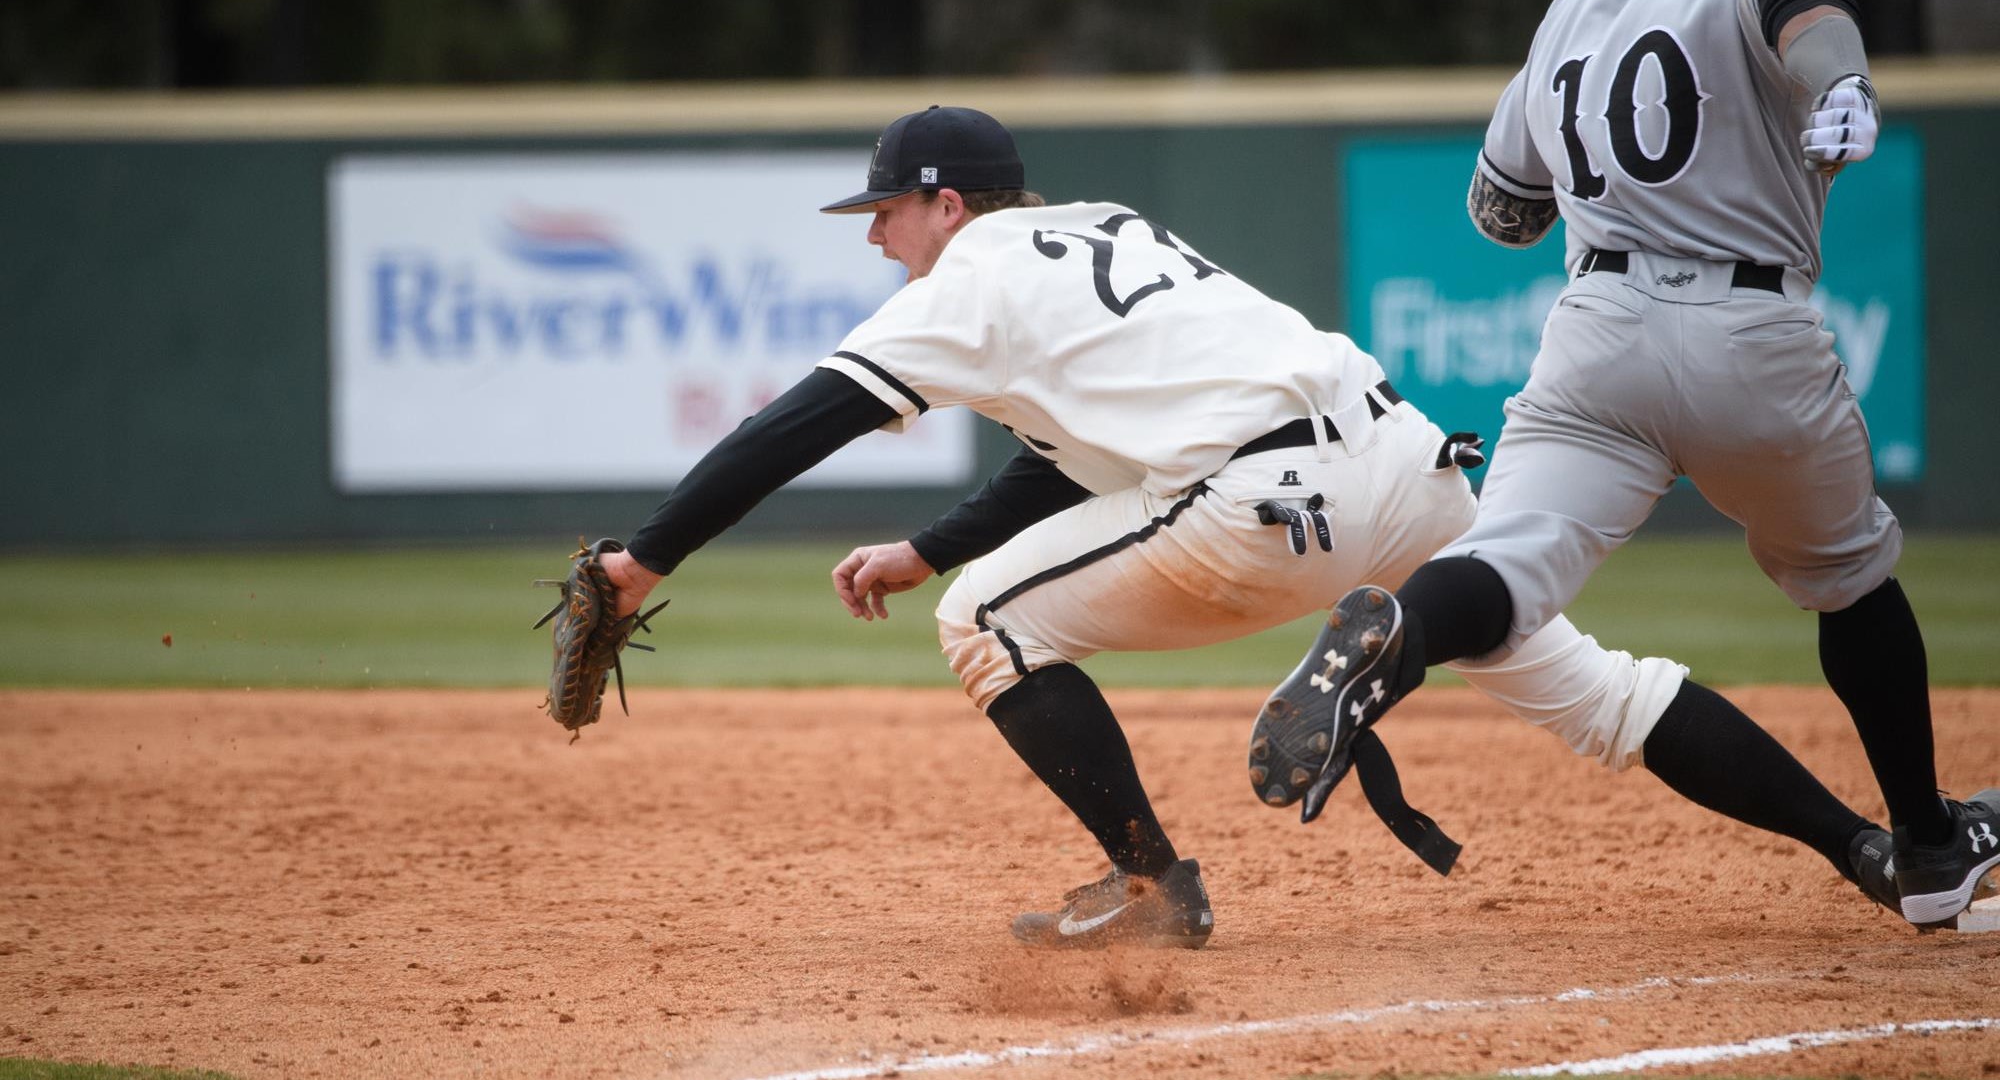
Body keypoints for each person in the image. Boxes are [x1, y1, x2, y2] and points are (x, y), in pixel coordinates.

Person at [588, 104, 1901, 948]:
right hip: (1404, 466)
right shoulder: (1098, 231)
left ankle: (1153, 887)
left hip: (1266, 505)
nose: (876, 237)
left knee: (984, 620)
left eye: (884, 210)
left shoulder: (962, 281)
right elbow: (1066, 467)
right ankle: (1872, 848)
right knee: (1599, 692)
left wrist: (641, 561)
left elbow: (788, 428)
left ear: (948, 203)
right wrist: (926, 543)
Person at [1288, 0, 1996, 930]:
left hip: (1598, 331)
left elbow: (1499, 212)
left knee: (1499, 565)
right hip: (1748, 327)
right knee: (1848, 580)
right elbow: (1804, 6)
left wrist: (1605, 175)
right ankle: (1928, 843)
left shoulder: (1572, 9)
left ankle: (1393, 640)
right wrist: (1843, 83)